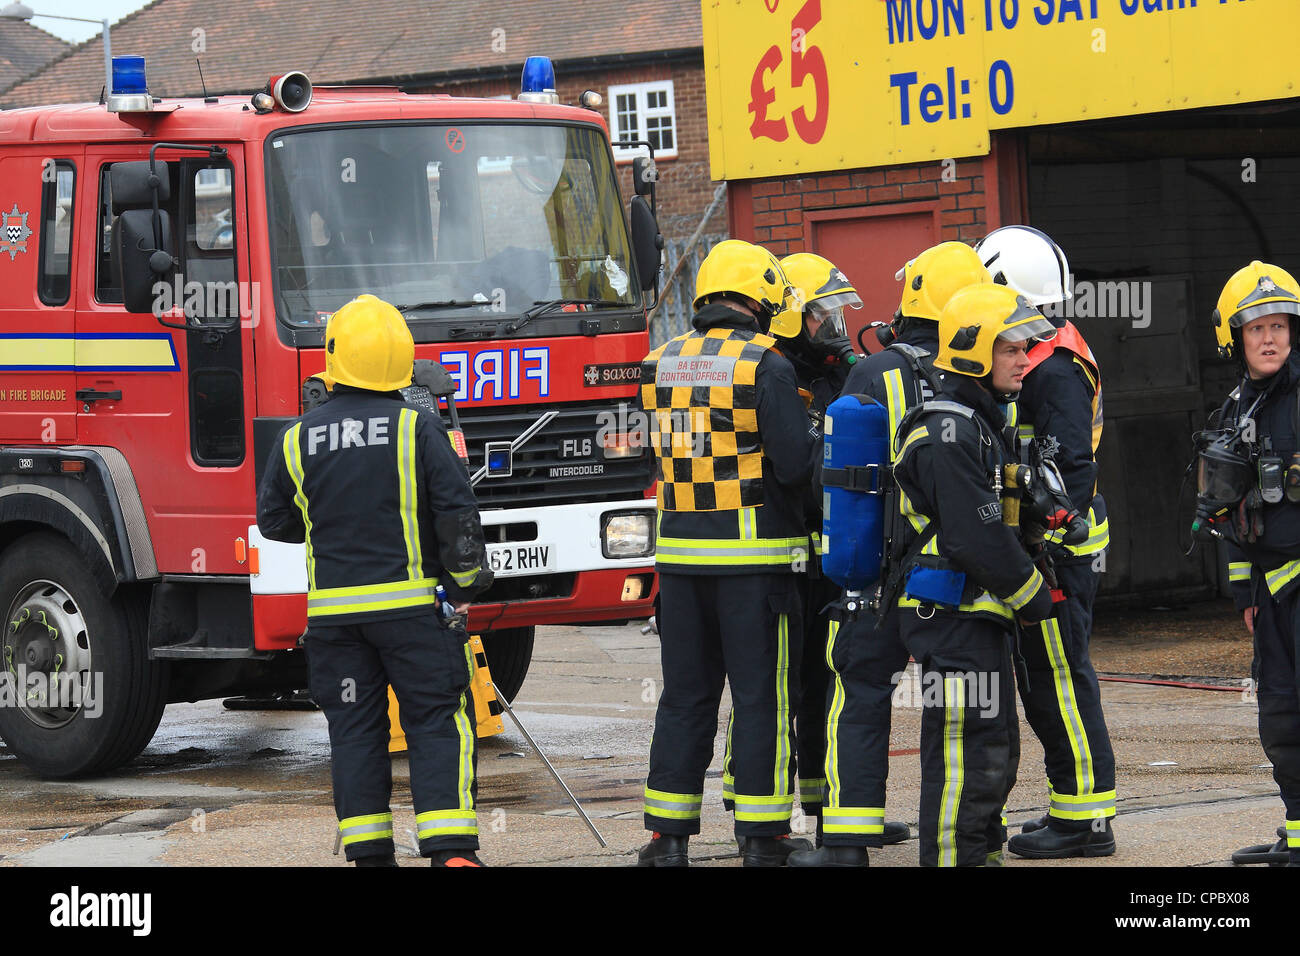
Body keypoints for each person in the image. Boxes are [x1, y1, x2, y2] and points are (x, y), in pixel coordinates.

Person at [257, 293, 494, 867]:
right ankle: (452, 854)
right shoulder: (419, 429)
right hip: (414, 617)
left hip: (337, 626)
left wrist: (332, 527)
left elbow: (275, 521)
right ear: (401, 363)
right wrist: (464, 588)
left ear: (335, 360)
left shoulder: (296, 438)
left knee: (355, 733)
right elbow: (456, 512)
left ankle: (369, 857)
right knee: (436, 722)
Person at [789, 241, 990, 866]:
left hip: (874, 572)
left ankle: (848, 841)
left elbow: (840, 472)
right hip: (955, 571)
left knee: (861, 691)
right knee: (962, 711)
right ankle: (976, 837)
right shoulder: (983, 368)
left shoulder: (873, 373)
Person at [637, 239, 820, 866]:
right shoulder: (766, 365)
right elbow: (795, 467)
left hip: (681, 566)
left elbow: (650, 453)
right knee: (760, 696)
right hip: (755, 567)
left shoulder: (657, 362)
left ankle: (666, 840)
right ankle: (763, 837)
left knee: (684, 697)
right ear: (761, 298)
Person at [888, 282, 1056, 866]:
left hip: (973, 616)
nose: (1023, 359)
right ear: (974, 350)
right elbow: (972, 536)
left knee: (995, 745)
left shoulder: (979, 422)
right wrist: (1035, 597)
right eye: (1011, 348)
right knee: (965, 746)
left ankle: (980, 852)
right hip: (949, 617)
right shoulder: (947, 432)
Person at [974, 225, 1117, 859]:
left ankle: (1087, 819)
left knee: (1059, 677)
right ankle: (1071, 806)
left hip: (1057, 548)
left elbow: (1067, 474)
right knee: (1045, 679)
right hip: (1046, 543)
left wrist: (1042, 534)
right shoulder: (1046, 353)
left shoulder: (1052, 368)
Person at [718, 253, 861, 839]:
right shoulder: (772, 375)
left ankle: (824, 807)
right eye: (822, 316)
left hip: (832, 553)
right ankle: (747, 797)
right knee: (775, 681)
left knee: (825, 679)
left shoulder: (837, 378)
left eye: (837, 317)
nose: (835, 330)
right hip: (783, 551)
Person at [1201, 261, 1300, 867]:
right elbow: (1225, 511)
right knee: (1282, 716)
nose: (1269, 338)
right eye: (1256, 327)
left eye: (1280, 326)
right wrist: (1244, 594)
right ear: (1233, 338)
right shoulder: (1236, 409)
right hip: (1270, 598)